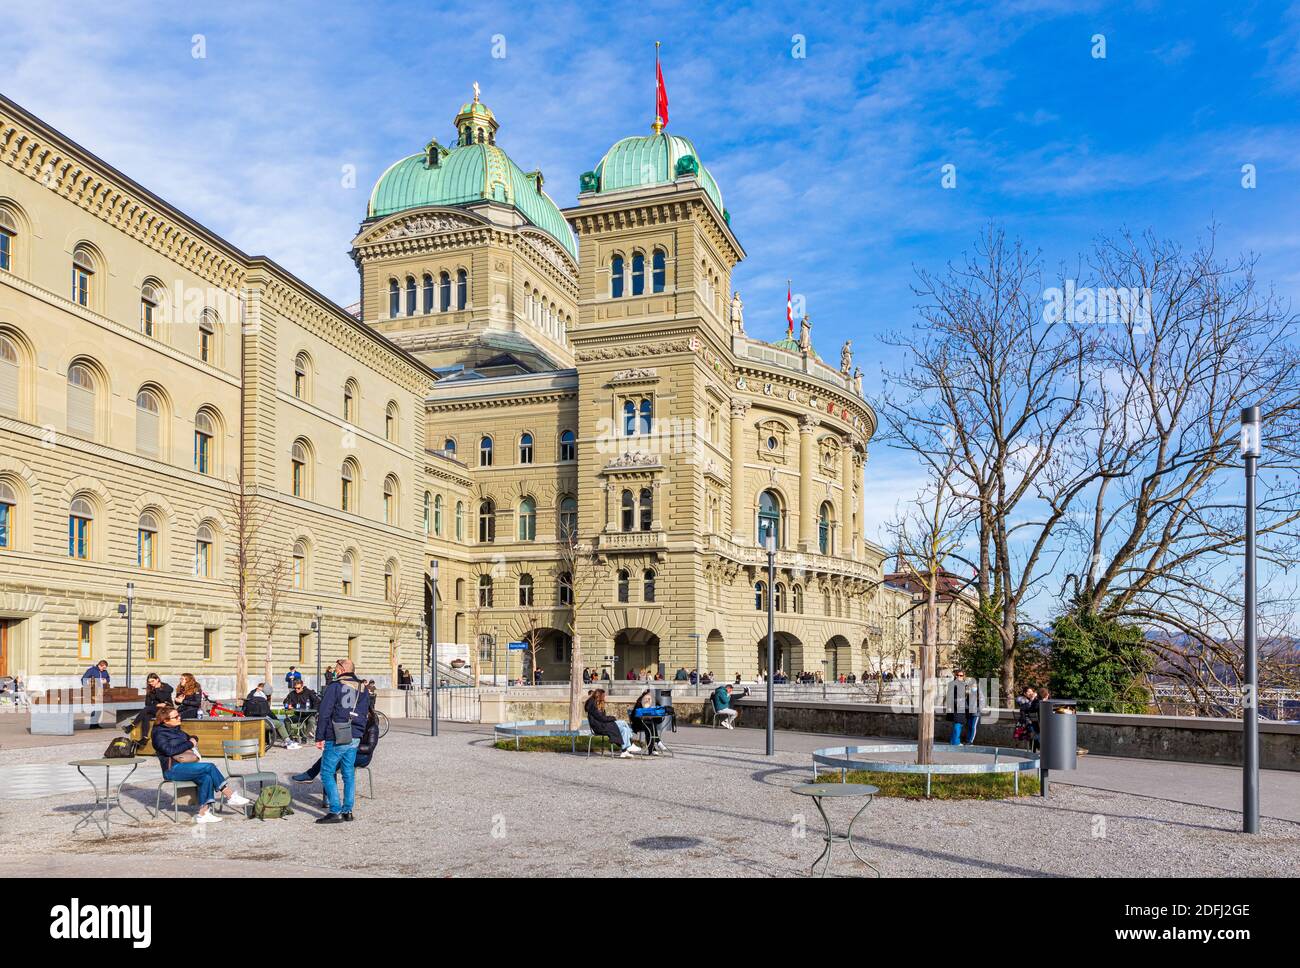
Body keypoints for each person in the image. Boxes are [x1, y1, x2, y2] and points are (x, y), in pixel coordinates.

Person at [150, 705, 250, 823]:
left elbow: (191, 737)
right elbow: (169, 751)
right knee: (209, 766)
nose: (179, 717)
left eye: (178, 715)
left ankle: (203, 814)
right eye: (175, 717)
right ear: (165, 720)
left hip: (185, 766)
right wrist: (190, 744)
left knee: (206, 777)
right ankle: (230, 795)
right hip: (172, 769)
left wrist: (193, 739)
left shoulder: (175, 729)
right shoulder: (158, 734)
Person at [314, 658, 372, 824]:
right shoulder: (363, 687)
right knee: (348, 773)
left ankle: (335, 811)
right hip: (355, 734)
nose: (334, 670)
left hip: (337, 733)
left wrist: (319, 737)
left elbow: (324, 712)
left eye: (336, 668)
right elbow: (366, 712)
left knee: (326, 772)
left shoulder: (335, 686)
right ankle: (348, 810)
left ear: (340, 669)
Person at [293, 698, 381, 788]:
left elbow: (369, 747)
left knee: (330, 764)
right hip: (349, 751)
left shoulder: (372, 726)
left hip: (362, 757)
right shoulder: (354, 723)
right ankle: (313, 778)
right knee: (329, 756)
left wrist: (350, 747)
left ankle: (314, 778)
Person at [584, 689, 640, 758]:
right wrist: (612, 718)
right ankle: (631, 743)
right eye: (603, 696)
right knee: (623, 722)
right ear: (599, 696)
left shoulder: (597, 704)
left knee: (624, 729)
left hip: (603, 725)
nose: (604, 697)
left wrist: (610, 718)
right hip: (599, 727)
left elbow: (602, 717)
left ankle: (624, 751)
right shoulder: (592, 705)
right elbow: (601, 718)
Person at [243, 683, 300, 749]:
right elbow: (267, 712)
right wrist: (276, 719)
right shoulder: (263, 700)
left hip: (248, 722)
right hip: (260, 722)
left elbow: (245, 711)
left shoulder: (250, 697)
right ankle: (288, 742)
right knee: (279, 724)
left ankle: (269, 741)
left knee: (271, 722)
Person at [122, 672, 172, 737]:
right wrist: (157, 705)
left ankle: (132, 725)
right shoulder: (150, 689)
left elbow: (162, 698)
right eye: (149, 682)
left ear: (157, 679)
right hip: (156, 709)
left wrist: (157, 689)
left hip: (166, 709)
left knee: (146, 709)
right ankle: (144, 738)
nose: (151, 683)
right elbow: (147, 703)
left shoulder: (166, 687)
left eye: (152, 681)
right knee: (145, 716)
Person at [628, 689, 668, 755]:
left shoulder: (653, 701)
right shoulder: (640, 702)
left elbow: (659, 716)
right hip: (638, 723)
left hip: (649, 723)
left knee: (651, 724)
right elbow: (635, 716)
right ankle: (657, 743)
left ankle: (653, 749)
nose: (649, 697)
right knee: (649, 725)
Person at [81, 659, 110, 729]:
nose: (104, 669)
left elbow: (108, 678)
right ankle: (92, 724)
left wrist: (106, 680)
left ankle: (96, 723)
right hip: (92, 691)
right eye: (103, 668)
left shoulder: (105, 671)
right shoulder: (92, 670)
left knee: (99, 708)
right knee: (94, 708)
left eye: (105, 668)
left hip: (101, 691)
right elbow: (83, 679)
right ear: (100, 665)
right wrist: (88, 685)